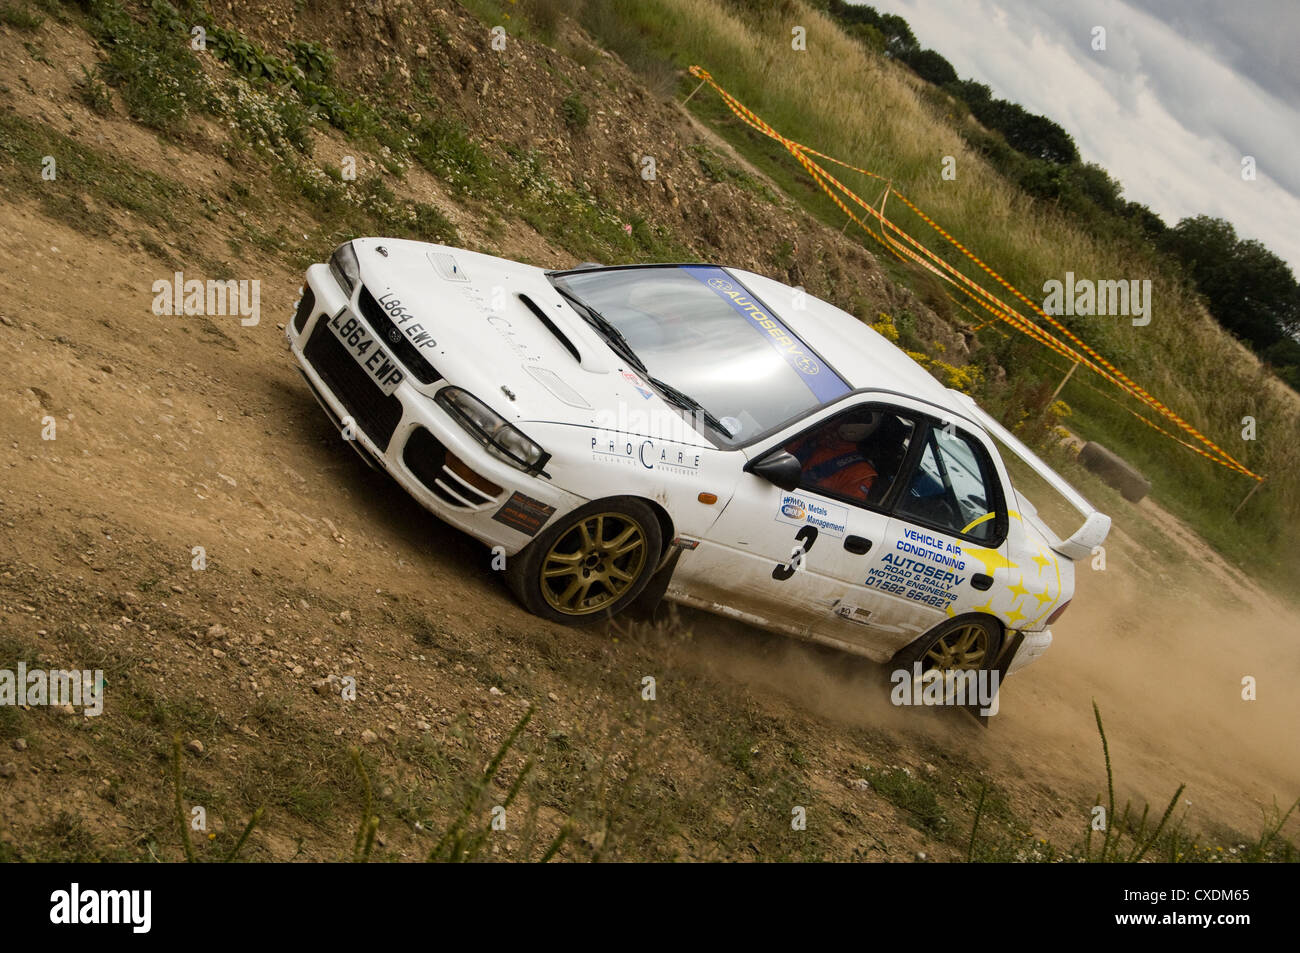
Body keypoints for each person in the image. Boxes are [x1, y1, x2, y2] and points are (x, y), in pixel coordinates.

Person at [787, 415, 880, 502]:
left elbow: (841, 512)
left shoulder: (860, 473)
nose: (828, 425)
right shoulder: (808, 437)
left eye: (837, 419)